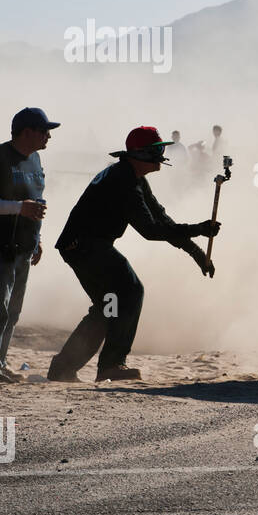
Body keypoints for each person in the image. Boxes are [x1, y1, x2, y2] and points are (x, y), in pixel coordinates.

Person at [47, 127, 220, 382]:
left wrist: (195, 251)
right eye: (157, 150)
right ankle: (111, 366)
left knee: (107, 308)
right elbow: (151, 230)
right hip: (86, 246)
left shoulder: (132, 177)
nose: (162, 155)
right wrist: (199, 229)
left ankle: (63, 368)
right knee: (130, 291)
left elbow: (161, 218)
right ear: (141, 154)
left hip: (81, 246)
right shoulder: (124, 181)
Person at [0, 108, 59, 383]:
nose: (48, 136)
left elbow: (36, 201)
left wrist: (37, 239)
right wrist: (18, 208)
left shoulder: (36, 158)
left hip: (23, 250)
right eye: (44, 131)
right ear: (27, 131)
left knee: (11, 312)